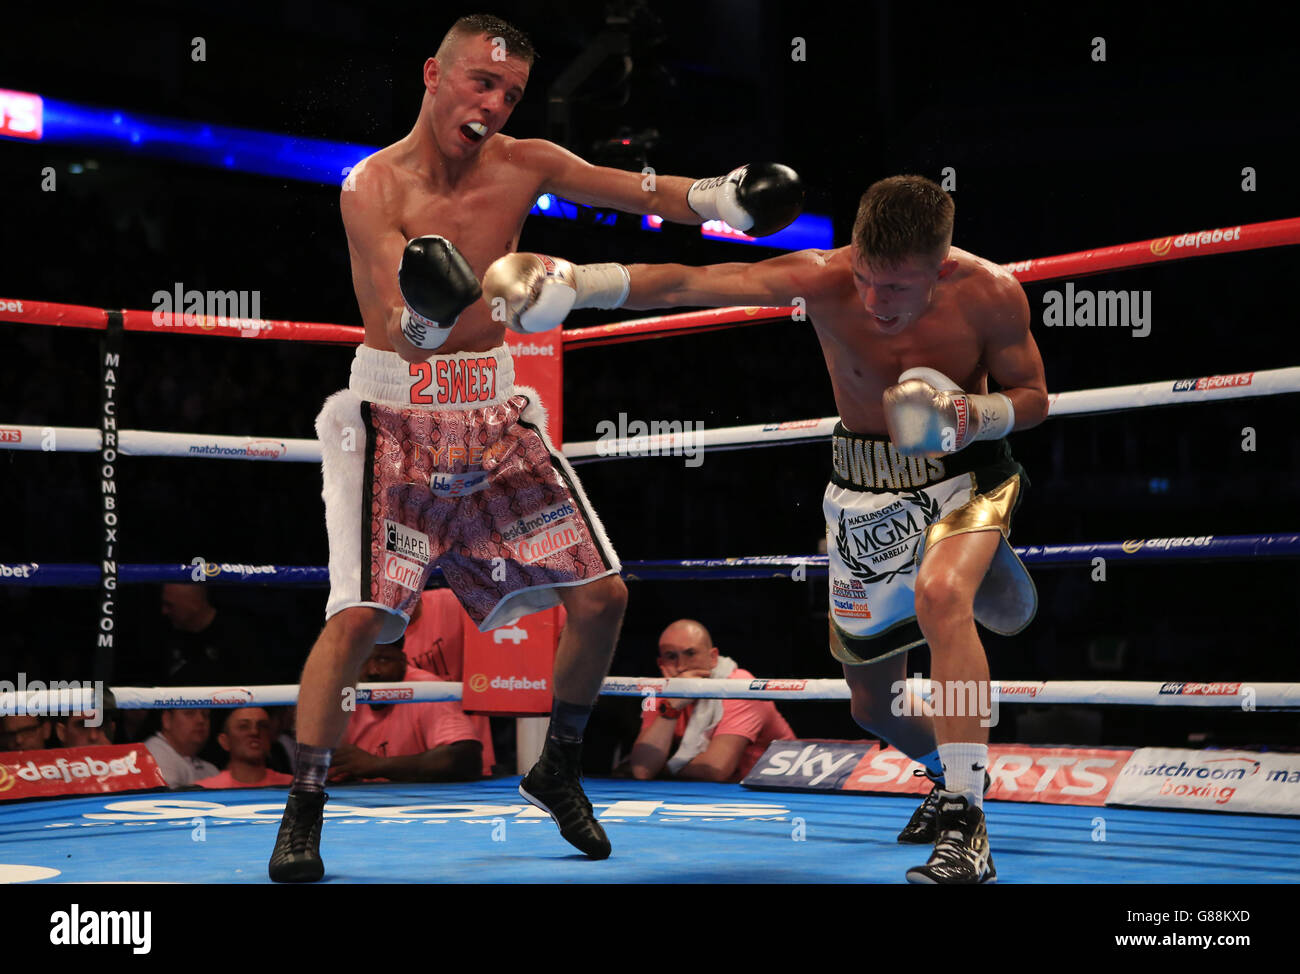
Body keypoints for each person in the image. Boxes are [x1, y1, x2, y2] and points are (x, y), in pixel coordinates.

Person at [269, 13, 801, 883]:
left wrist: (721, 199)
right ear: (433, 72)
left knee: (602, 597)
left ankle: (557, 763)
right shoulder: (369, 186)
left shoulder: (526, 162)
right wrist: (444, 302)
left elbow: (635, 189)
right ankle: (306, 807)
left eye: (510, 91)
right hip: (395, 419)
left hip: (491, 411)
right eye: (481, 81)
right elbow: (401, 321)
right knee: (361, 615)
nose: (494, 102)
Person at [489, 175, 1048, 884]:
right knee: (873, 704)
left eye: (898, 289)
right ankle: (949, 773)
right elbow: (694, 283)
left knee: (944, 596)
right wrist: (576, 280)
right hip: (863, 488)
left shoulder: (992, 292)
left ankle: (969, 822)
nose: (876, 304)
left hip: (968, 473)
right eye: (868, 280)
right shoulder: (822, 277)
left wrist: (972, 414)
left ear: (941, 266)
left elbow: (1032, 398)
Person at [627, 619, 795, 782]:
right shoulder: (660, 691)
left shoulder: (740, 686)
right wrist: (673, 705)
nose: (681, 666)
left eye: (690, 653)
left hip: (780, 790)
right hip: (715, 793)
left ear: (713, 657)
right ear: (661, 663)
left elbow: (715, 769)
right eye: (671, 656)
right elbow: (642, 770)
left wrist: (662, 769)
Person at [331, 642, 481, 783]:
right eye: (362, 659)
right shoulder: (346, 692)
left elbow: (466, 758)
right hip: (366, 799)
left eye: (383, 660)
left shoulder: (426, 690)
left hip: (425, 800)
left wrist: (377, 765)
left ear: (403, 661)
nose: (372, 671)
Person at [401, 587, 499, 775]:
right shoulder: (367, 629)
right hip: (400, 749)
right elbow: (346, 698)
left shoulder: (453, 603)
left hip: (464, 745)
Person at [195, 707, 293, 789]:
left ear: (270, 737)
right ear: (225, 741)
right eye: (243, 726)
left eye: (262, 726)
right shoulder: (204, 790)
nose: (254, 732)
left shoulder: (293, 786)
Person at [144, 708, 219, 787]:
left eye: (205, 714)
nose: (201, 720)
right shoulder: (152, 754)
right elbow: (169, 798)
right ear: (167, 720)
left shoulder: (211, 769)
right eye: (189, 713)